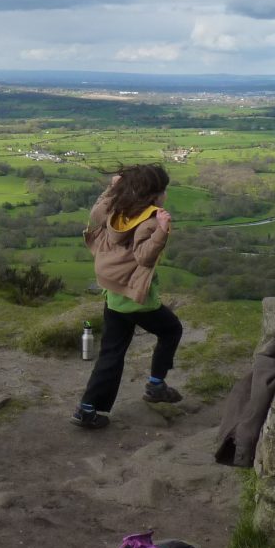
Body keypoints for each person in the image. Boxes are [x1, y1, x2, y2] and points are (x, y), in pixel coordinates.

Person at [72, 164, 184, 430]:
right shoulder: (149, 220)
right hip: (135, 298)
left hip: (114, 293)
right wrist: (162, 230)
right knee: (171, 330)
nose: (165, 194)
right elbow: (144, 257)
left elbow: (96, 212)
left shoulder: (118, 209)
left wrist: (112, 187)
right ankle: (156, 385)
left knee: (112, 352)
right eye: (163, 190)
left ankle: (87, 409)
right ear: (154, 195)